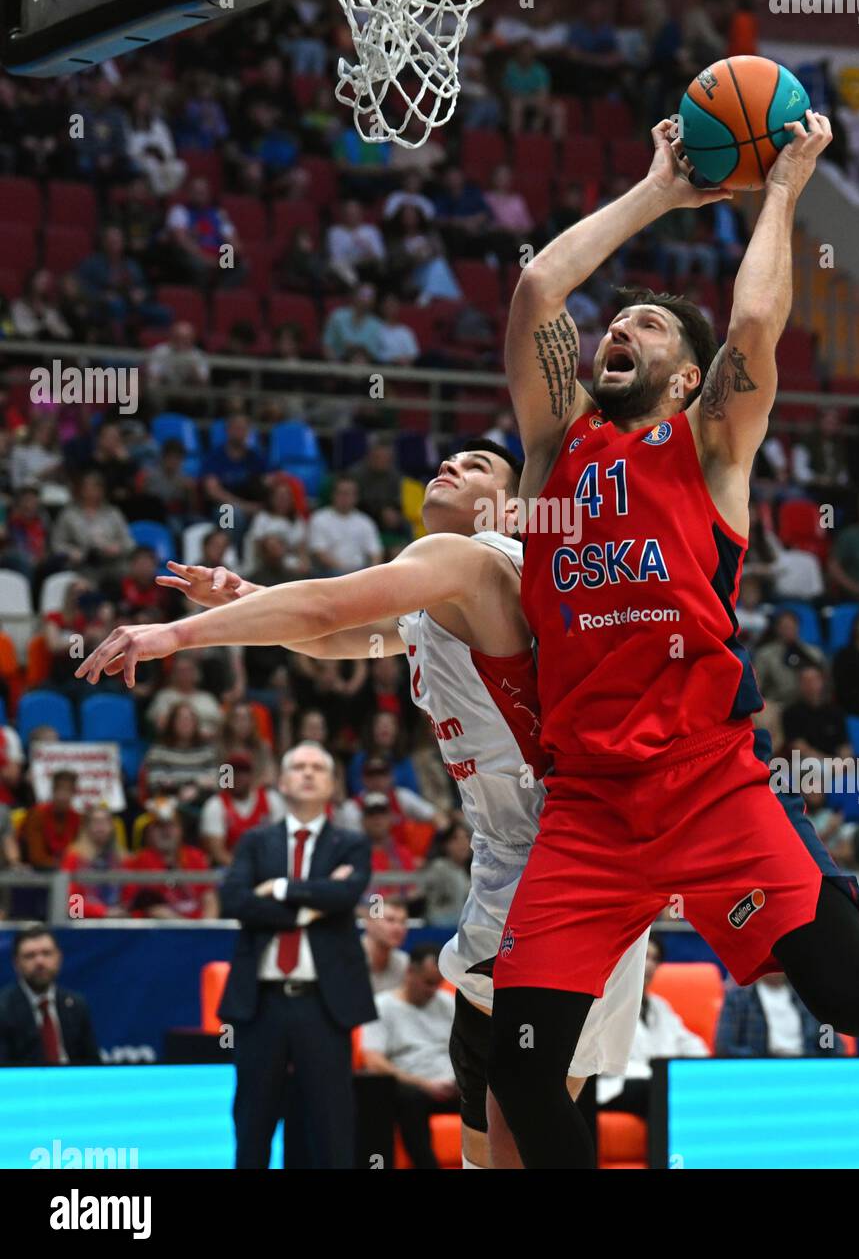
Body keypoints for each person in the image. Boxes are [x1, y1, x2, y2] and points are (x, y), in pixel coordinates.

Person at [486, 110, 859, 1168]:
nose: (619, 328)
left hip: (711, 784)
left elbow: (753, 330)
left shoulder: (708, 443)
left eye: (649, 328)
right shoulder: (552, 453)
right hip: (587, 808)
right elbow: (540, 292)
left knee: (849, 996)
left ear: (686, 377)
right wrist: (659, 193)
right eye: (615, 323)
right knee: (523, 1061)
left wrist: (785, 190)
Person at [77, 439, 649, 1171]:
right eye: (447, 458)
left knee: (519, 1129)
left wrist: (174, 636)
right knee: (491, 1130)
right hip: (514, 864)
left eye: (476, 465)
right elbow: (331, 634)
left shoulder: (469, 560)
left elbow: (323, 602)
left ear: (509, 508)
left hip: (567, 867)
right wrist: (248, 598)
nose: (450, 465)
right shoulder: (432, 598)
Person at [216, 742, 374, 1168]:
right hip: (261, 1003)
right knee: (253, 1123)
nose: (307, 774)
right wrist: (312, 907)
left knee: (332, 1126)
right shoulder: (254, 841)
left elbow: (347, 895)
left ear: (332, 784)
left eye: (318, 768)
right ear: (281, 782)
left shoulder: (351, 843)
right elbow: (233, 900)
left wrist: (280, 889)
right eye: (298, 767)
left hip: (323, 1005)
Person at [359, 944, 459, 1168]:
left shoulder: (449, 1003)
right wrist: (424, 1084)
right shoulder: (382, 1006)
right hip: (412, 1087)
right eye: (428, 982)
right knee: (409, 1099)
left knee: (489, 1095)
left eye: (438, 983)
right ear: (410, 972)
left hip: (452, 1086)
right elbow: (373, 1061)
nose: (433, 990)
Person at [596, 935, 710, 1116]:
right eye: (644, 956)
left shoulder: (660, 1006)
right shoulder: (607, 1002)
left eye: (655, 959)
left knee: (687, 1088)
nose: (649, 965)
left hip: (658, 1081)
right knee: (655, 1091)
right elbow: (603, 1064)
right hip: (617, 1086)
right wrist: (655, 1072)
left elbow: (690, 1044)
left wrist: (703, 1067)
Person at [0, 925, 101, 1065]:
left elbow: (93, 1066)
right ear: (16, 963)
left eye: (46, 953)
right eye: (30, 956)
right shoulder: (4, 1009)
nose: (39, 962)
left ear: (58, 958)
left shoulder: (75, 1004)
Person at [716, 972, 846, 1058]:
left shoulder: (808, 997)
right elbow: (725, 1048)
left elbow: (831, 1042)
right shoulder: (738, 999)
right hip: (762, 1071)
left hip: (806, 1068)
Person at [198, 751, 286, 866]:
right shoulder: (215, 805)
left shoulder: (272, 800)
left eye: (243, 772)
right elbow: (217, 852)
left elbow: (281, 841)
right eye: (233, 772)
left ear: (251, 776)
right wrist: (243, 870)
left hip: (266, 865)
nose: (238, 777)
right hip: (229, 869)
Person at [20, 769, 81, 870]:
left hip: (67, 872)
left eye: (68, 790)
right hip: (35, 875)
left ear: (74, 793)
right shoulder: (37, 815)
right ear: (53, 791)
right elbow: (37, 858)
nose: (63, 796)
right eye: (59, 789)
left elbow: (81, 854)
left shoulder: (78, 819)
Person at [361, 895, 411, 995]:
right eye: (390, 920)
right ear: (369, 922)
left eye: (403, 922)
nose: (398, 928)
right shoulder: (344, 959)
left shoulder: (405, 965)